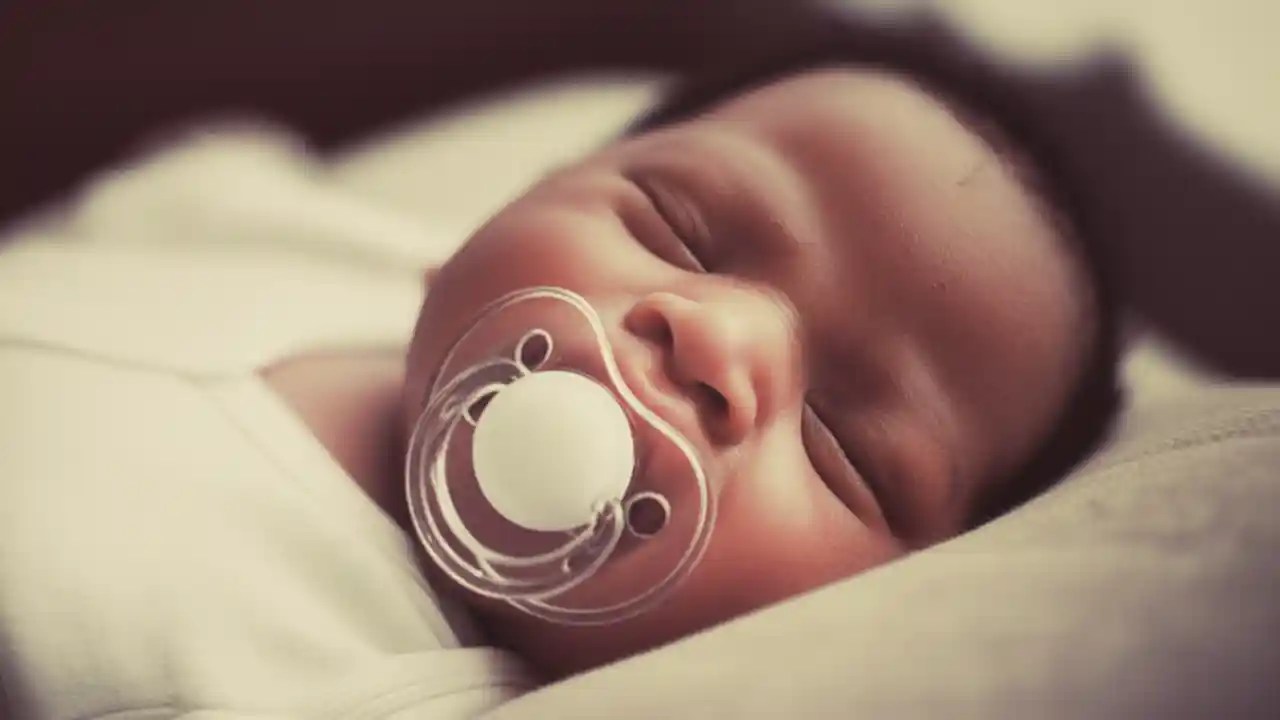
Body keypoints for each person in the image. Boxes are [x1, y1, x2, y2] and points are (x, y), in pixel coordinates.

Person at [0, 1, 1122, 716]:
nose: (719, 342)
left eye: (843, 448)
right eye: (679, 229)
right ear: (534, 188)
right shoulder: (299, 238)